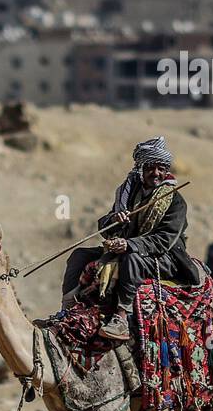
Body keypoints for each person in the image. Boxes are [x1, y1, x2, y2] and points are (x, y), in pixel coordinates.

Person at [60, 136, 202, 341]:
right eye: (151, 168)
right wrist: (115, 219)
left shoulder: (175, 201)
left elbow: (164, 240)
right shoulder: (128, 193)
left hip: (163, 257)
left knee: (131, 258)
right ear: (141, 169)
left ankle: (121, 318)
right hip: (124, 247)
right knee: (79, 255)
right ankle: (68, 309)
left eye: (161, 168)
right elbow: (105, 226)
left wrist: (129, 244)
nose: (156, 173)